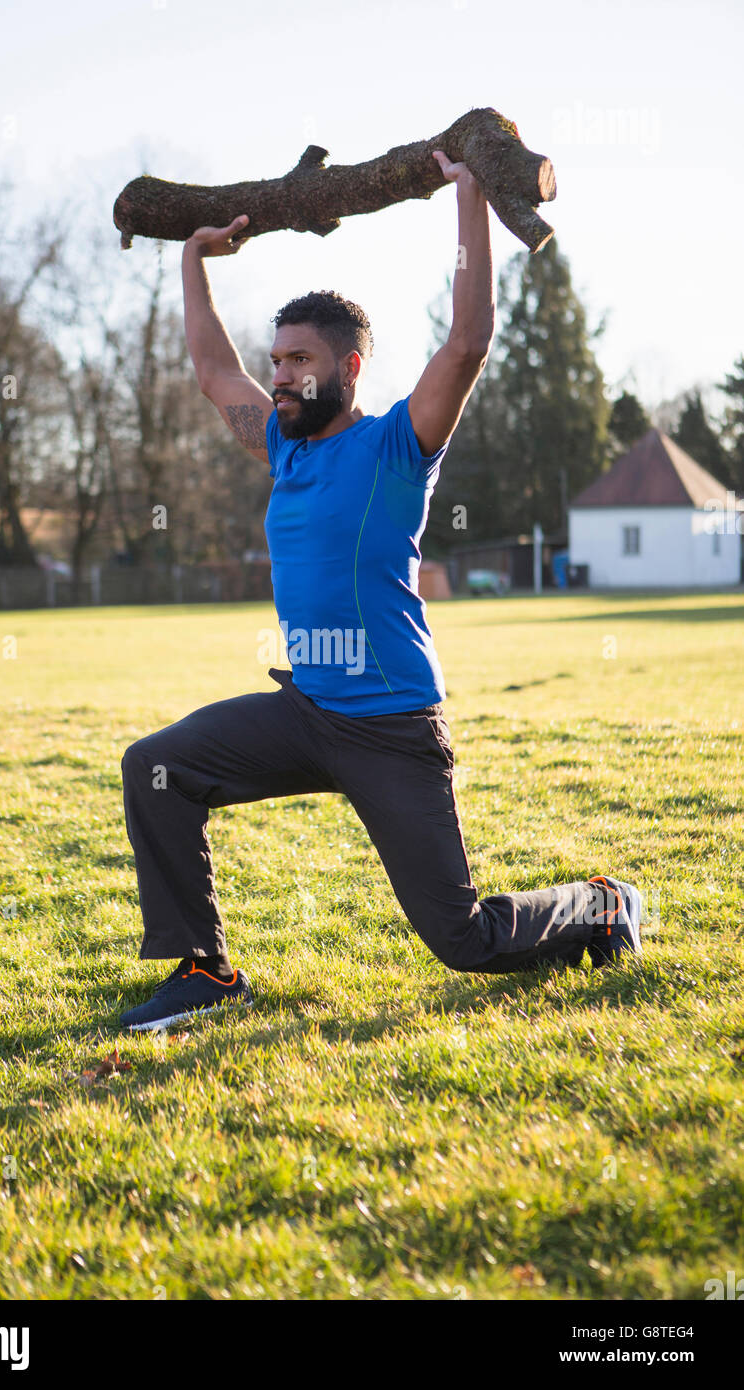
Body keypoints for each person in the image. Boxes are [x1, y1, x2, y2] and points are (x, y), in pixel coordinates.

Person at [118, 152, 642, 1033]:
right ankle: (204, 971)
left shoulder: (400, 446)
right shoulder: (284, 447)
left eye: (298, 360)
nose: (278, 375)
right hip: (305, 710)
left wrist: (470, 199)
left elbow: (468, 341)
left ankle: (601, 905)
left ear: (350, 367)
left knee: (464, 939)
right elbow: (214, 371)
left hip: (392, 730)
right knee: (156, 769)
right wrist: (191, 260)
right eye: (276, 359)